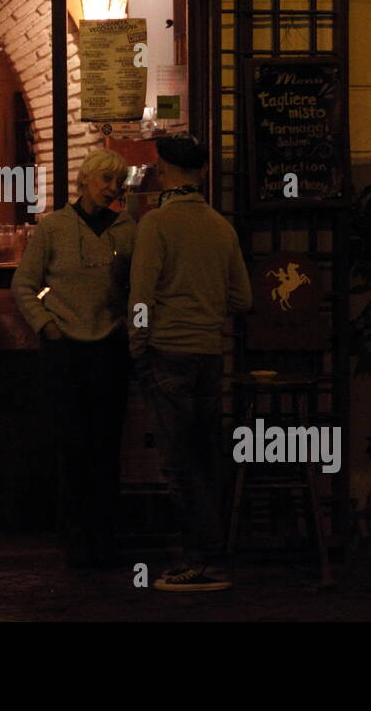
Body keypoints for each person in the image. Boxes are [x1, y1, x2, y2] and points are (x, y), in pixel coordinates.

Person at [127, 133, 251, 592]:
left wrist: (138, 346)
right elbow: (243, 297)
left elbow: (141, 297)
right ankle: (214, 555)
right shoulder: (220, 227)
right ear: (201, 172)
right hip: (208, 354)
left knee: (178, 464)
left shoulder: (156, 225)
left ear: (164, 169)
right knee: (205, 455)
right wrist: (206, 307)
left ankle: (202, 561)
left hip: (167, 352)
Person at [12, 147, 135, 567]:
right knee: (72, 443)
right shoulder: (55, 227)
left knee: (106, 445)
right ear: (85, 180)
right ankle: (76, 537)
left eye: (118, 182)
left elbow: (136, 288)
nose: (113, 188)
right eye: (106, 179)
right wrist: (46, 325)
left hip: (110, 347)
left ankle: (103, 536)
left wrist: (129, 327)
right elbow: (24, 284)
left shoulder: (127, 230)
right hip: (65, 349)